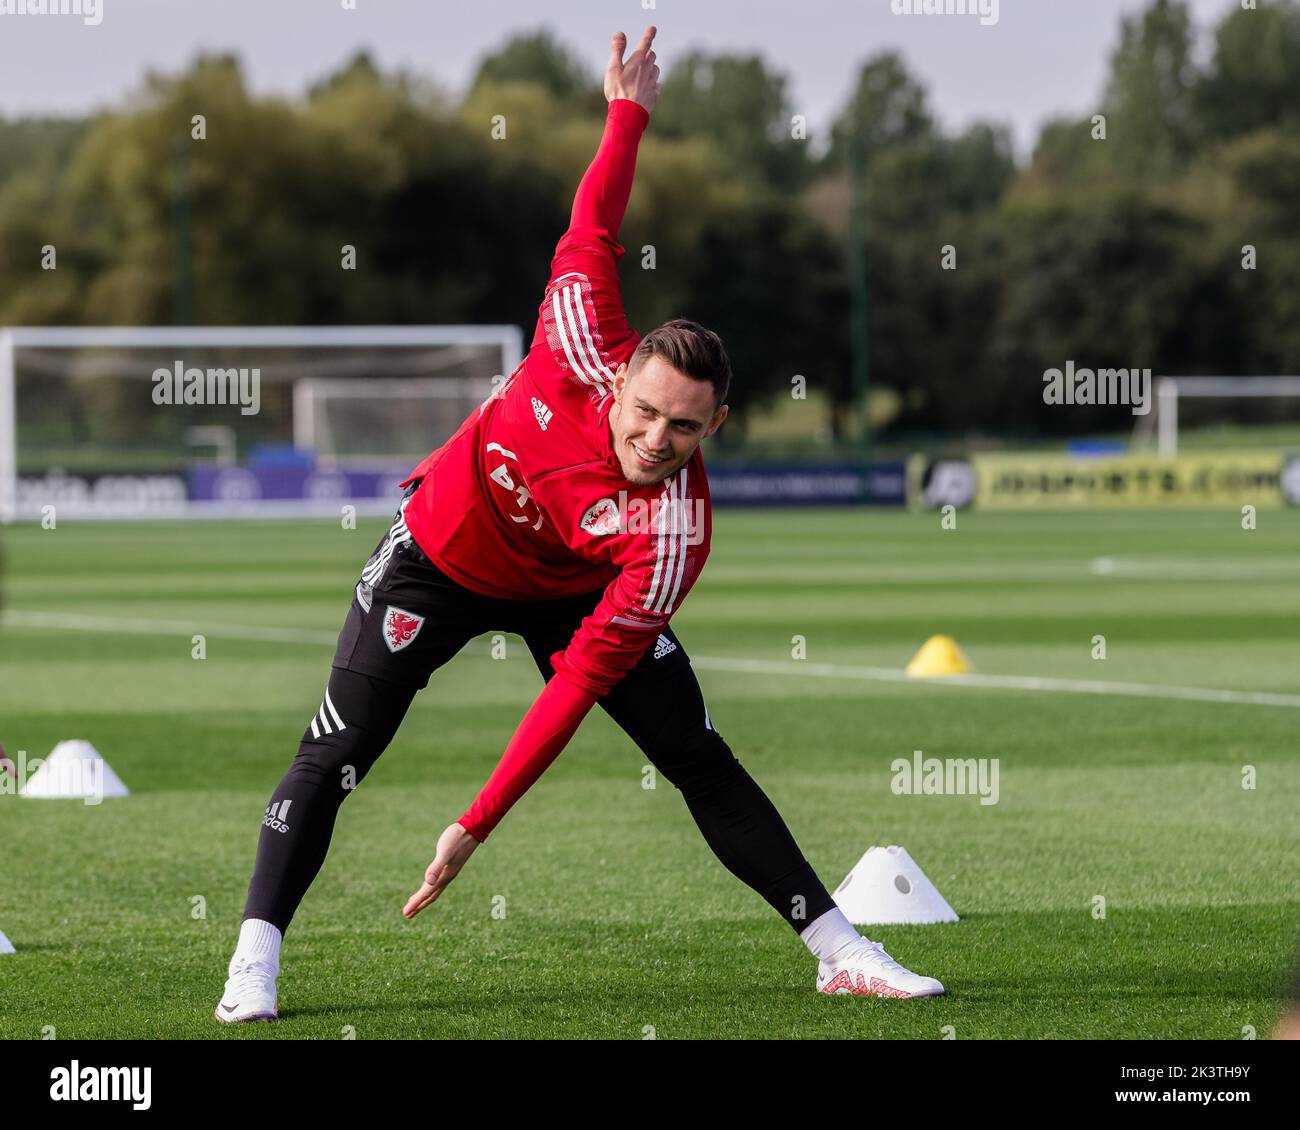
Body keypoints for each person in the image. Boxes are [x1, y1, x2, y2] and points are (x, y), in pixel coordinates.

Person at [216, 25, 943, 1024]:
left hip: (572, 590)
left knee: (696, 752)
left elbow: (577, 688)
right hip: (438, 555)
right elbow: (595, 212)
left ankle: (839, 947)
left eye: (685, 427)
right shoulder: (572, 325)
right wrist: (626, 112)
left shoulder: (672, 532)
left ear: (716, 425)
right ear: (624, 372)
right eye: (645, 411)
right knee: (332, 753)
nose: (655, 437)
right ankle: (253, 959)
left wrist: (475, 823)